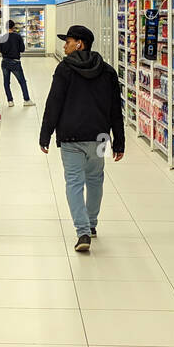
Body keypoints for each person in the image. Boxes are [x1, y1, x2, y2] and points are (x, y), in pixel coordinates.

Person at [39, 24, 124, 253]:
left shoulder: (64, 69)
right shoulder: (107, 71)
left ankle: (83, 231)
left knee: (75, 183)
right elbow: (116, 109)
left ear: (79, 44)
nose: (64, 46)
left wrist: (45, 134)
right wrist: (119, 141)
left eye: (67, 41)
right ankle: (92, 224)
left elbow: (54, 103)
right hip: (100, 138)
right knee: (95, 179)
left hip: (71, 138)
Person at [0, 20, 32, 105]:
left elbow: (1, 50)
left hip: (5, 62)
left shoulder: (2, 38)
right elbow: (22, 49)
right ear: (13, 27)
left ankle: (10, 101)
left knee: (6, 82)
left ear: (6, 28)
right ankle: (26, 100)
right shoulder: (18, 37)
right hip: (15, 62)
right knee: (22, 81)